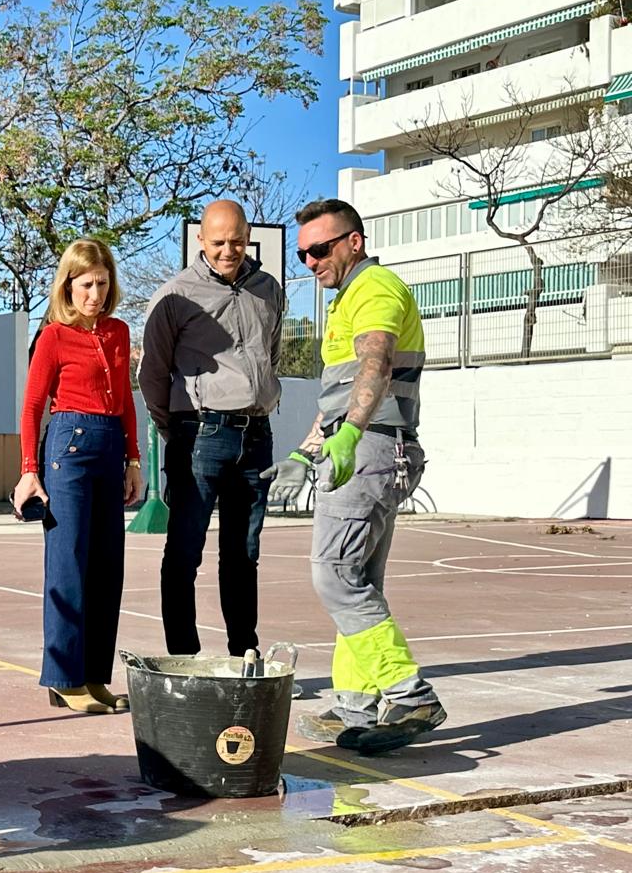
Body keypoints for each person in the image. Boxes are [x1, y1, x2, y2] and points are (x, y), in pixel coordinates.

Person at [265, 197, 446, 755]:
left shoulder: (374, 289)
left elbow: (376, 364)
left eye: (319, 249)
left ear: (354, 242)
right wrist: (305, 450)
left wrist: (347, 438)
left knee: (335, 576)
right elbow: (342, 394)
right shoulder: (345, 300)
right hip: (369, 446)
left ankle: (407, 691)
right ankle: (354, 704)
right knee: (358, 582)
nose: (310, 261)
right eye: (302, 254)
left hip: (370, 448)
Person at [139, 199, 286, 657]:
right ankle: (184, 657)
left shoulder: (269, 289)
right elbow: (153, 374)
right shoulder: (175, 296)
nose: (229, 250)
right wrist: (177, 430)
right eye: (219, 242)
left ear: (249, 237)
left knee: (244, 553)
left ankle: (245, 652)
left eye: (238, 241)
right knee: (185, 551)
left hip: (256, 437)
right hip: (198, 434)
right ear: (200, 240)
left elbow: (271, 355)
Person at [13, 239, 145, 714]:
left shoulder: (119, 332)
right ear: (68, 287)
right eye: (85, 284)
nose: (95, 293)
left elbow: (127, 401)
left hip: (110, 447)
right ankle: (63, 677)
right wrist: (30, 470)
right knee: (68, 563)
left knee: (107, 566)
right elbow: (31, 407)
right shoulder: (52, 337)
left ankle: (93, 677)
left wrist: (133, 460)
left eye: (102, 283)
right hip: (68, 447)